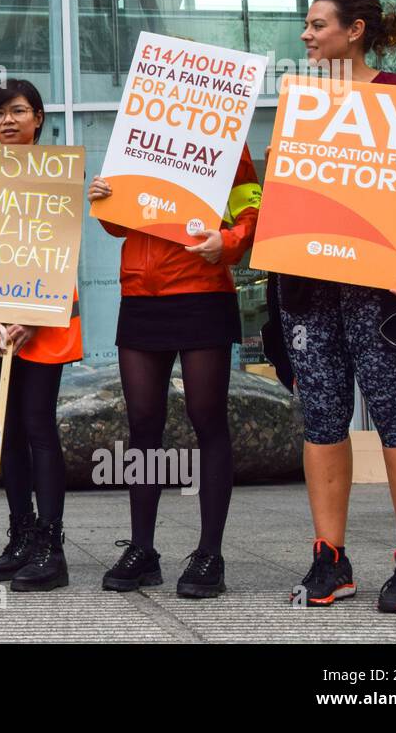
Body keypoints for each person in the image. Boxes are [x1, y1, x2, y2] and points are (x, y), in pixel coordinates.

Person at [264, 0, 396, 613]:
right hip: (309, 287)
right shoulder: (304, 103)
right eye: (305, 24)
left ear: (354, 31)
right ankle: (330, 558)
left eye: (317, 24)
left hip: (383, 289)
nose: (305, 35)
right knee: (320, 417)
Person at [88, 101, 260, 598]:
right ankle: (143, 549)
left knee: (208, 421)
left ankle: (210, 554)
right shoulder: (136, 142)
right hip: (140, 296)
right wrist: (103, 200)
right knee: (142, 425)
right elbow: (121, 224)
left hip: (203, 291)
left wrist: (227, 242)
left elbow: (251, 210)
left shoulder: (230, 144)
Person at [0, 80, 82, 591]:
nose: (7, 121)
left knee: (38, 426)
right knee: (6, 430)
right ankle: (19, 535)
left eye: (18, 111)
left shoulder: (58, 173)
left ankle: (49, 545)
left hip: (45, 321)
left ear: (38, 117)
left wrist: (34, 317)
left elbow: (61, 249)